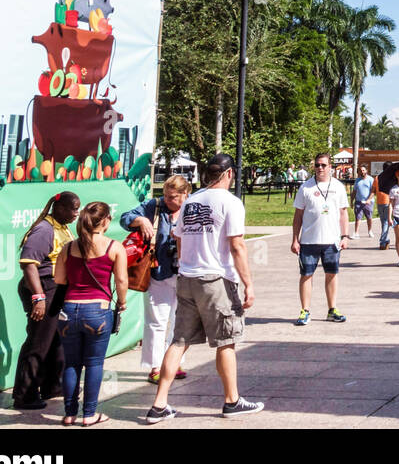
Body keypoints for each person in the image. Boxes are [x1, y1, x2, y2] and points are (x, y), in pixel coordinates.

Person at [145, 153, 262, 423]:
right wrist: (248, 284)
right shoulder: (231, 203)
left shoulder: (192, 201)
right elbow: (237, 245)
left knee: (179, 341)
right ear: (230, 173)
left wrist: (188, 265)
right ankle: (232, 401)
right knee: (226, 340)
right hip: (216, 280)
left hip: (187, 278)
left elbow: (179, 238)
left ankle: (160, 404)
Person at [52, 200, 127, 426]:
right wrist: (121, 303)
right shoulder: (114, 247)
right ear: (105, 221)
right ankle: (89, 414)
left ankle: (69, 413)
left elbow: (59, 280)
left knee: (71, 364)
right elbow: (122, 280)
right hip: (98, 310)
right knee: (94, 363)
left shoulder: (68, 247)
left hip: (68, 310)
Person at [12, 191, 79, 410]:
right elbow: (29, 264)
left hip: (56, 289)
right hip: (43, 289)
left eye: (78, 209)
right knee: (38, 343)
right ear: (59, 208)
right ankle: (25, 394)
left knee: (55, 341)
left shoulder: (61, 227)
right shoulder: (44, 229)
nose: (76, 213)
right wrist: (39, 297)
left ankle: (53, 385)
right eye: (72, 209)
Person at [121, 174, 190, 384]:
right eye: (167, 196)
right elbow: (124, 218)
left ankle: (174, 362)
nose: (169, 200)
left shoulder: (192, 208)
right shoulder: (155, 206)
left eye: (174, 197)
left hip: (186, 273)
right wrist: (141, 219)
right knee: (157, 321)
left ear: (185, 194)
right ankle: (155, 366)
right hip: (158, 272)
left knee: (181, 322)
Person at [292, 153, 350, 324]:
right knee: (306, 275)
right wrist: (295, 239)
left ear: (330, 167)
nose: (320, 168)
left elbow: (343, 213)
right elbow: (298, 215)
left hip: (331, 240)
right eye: (317, 165)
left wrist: (345, 236)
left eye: (324, 165)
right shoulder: (306, 187)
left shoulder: (338, 187)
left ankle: (332, 310)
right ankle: (305, 311)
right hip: (309, 241)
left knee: (331, 274)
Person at [352, 166, 375, 240]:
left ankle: (370, 230)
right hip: (359, 201)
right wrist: (351, 201)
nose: (362, 172)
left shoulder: (370, 179)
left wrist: (369, 200)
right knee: (358, 217)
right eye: (360, 170)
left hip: (368, 202)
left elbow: (373, 191)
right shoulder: (357, 180)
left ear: (366, 171)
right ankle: (356, 233)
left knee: (369, 217)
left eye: (363, 170)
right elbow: (354, 191)